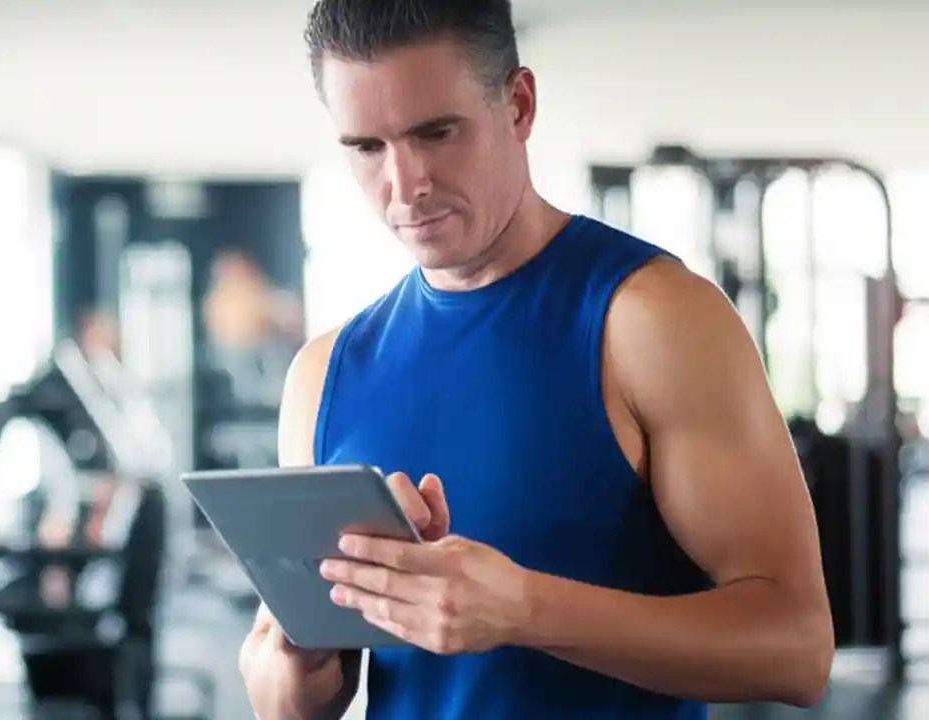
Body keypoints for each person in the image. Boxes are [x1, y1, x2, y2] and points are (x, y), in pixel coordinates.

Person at [239, 1, 836, 718]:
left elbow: (797, 649)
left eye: (436, 132)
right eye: (367, 147)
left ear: (518, 105)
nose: (405, 184)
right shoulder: (323, 375)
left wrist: (525, 609)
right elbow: (289, 699)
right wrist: (291, 667)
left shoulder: (653, 320)